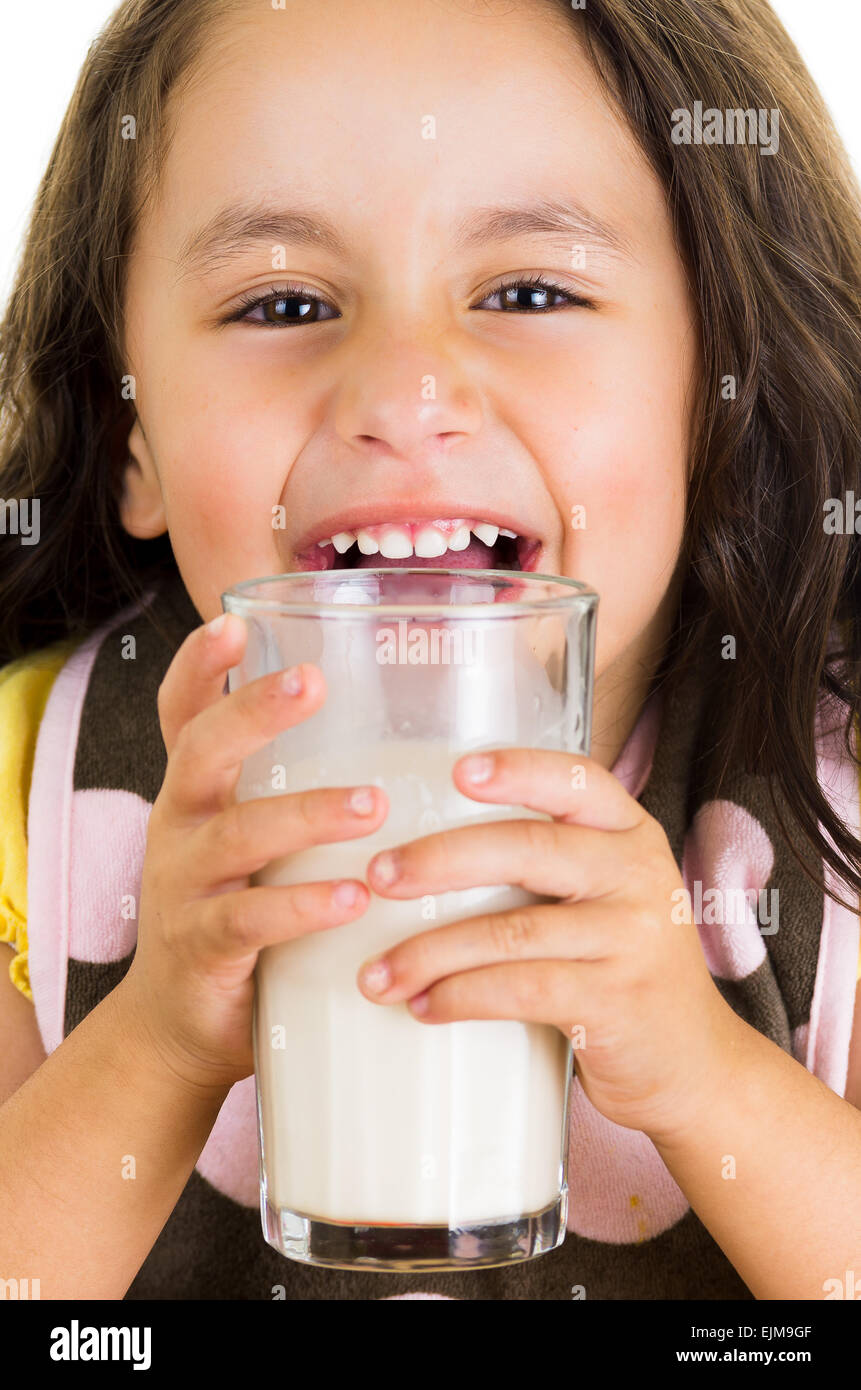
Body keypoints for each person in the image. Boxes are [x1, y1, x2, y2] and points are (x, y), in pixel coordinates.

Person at [0, 0, 859, 1300]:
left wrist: (707, 1073)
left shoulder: (827, 820)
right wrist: (157, 1040)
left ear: (713, 394)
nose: (404, 390)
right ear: (131, 437)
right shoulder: (31, 800)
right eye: (283, 301)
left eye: (527, 290)